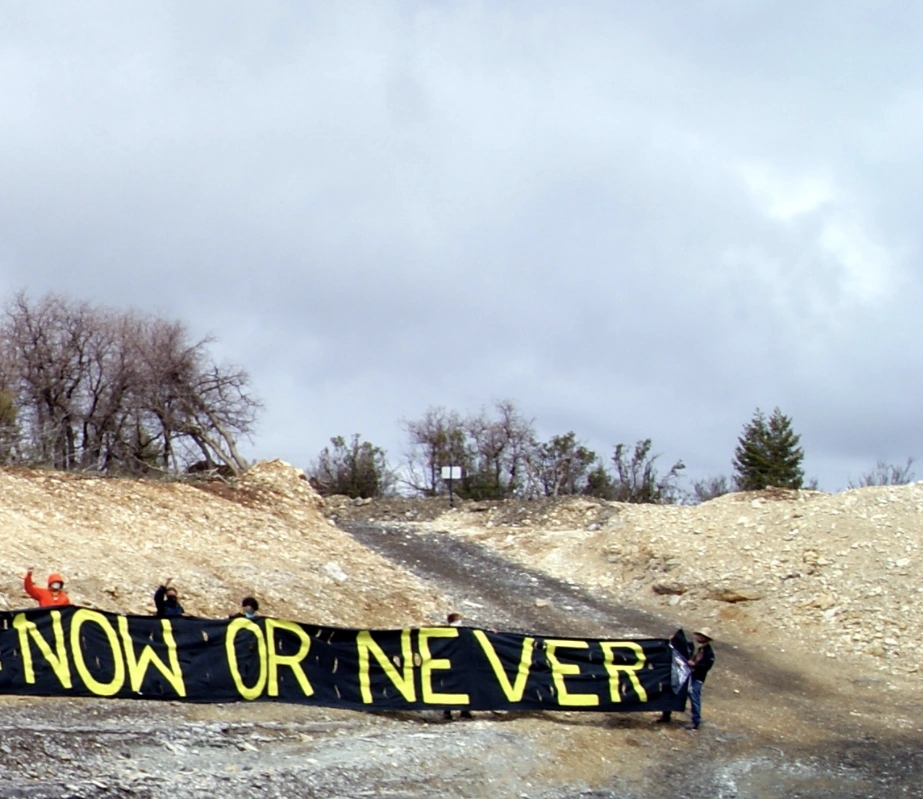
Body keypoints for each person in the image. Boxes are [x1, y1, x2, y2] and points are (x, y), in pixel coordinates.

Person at [443, 612, 473, 720]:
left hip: (452, 663)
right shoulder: (464, 632)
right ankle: (461, 710)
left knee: (451, 687)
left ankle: (449, 711)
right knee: (462, 686)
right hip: (458, 663)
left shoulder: (442, 633)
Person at [687, 628, 716, 730]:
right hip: (693, 676)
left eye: (701, 636)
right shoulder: (700, 649)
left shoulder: (708, 653)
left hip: (697, 677)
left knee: (694, 697)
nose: (698, 638)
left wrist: (694, 665)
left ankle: (696, 721)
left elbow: (706, 666)